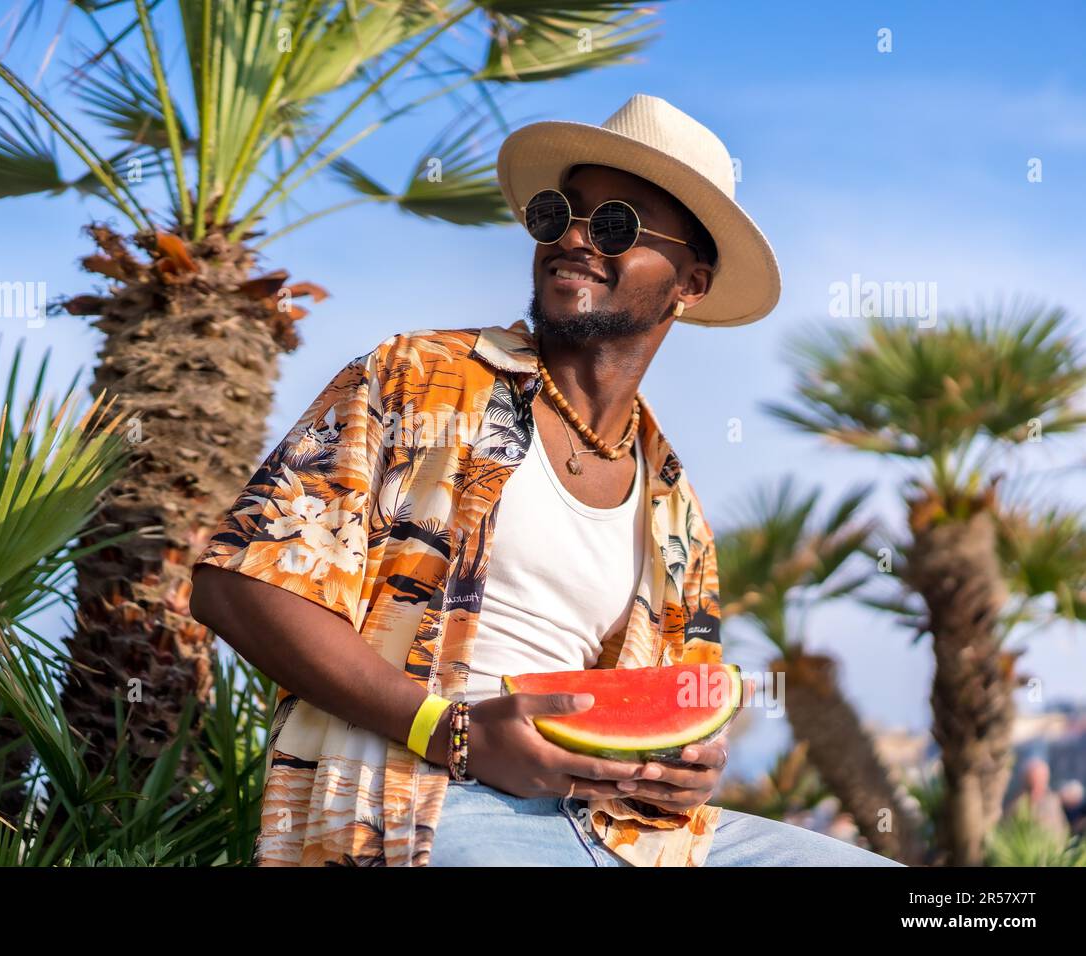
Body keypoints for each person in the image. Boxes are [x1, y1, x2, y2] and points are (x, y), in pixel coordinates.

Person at [190, 94, 899, 867]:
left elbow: (685, 702)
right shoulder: (419, 377)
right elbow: (236, 584)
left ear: (690, 283)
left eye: (616, 225)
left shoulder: (675, 506)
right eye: (558, 213)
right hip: (421, 799)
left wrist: (688, 769)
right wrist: (452, 732)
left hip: (626, 830)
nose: (572, 237)